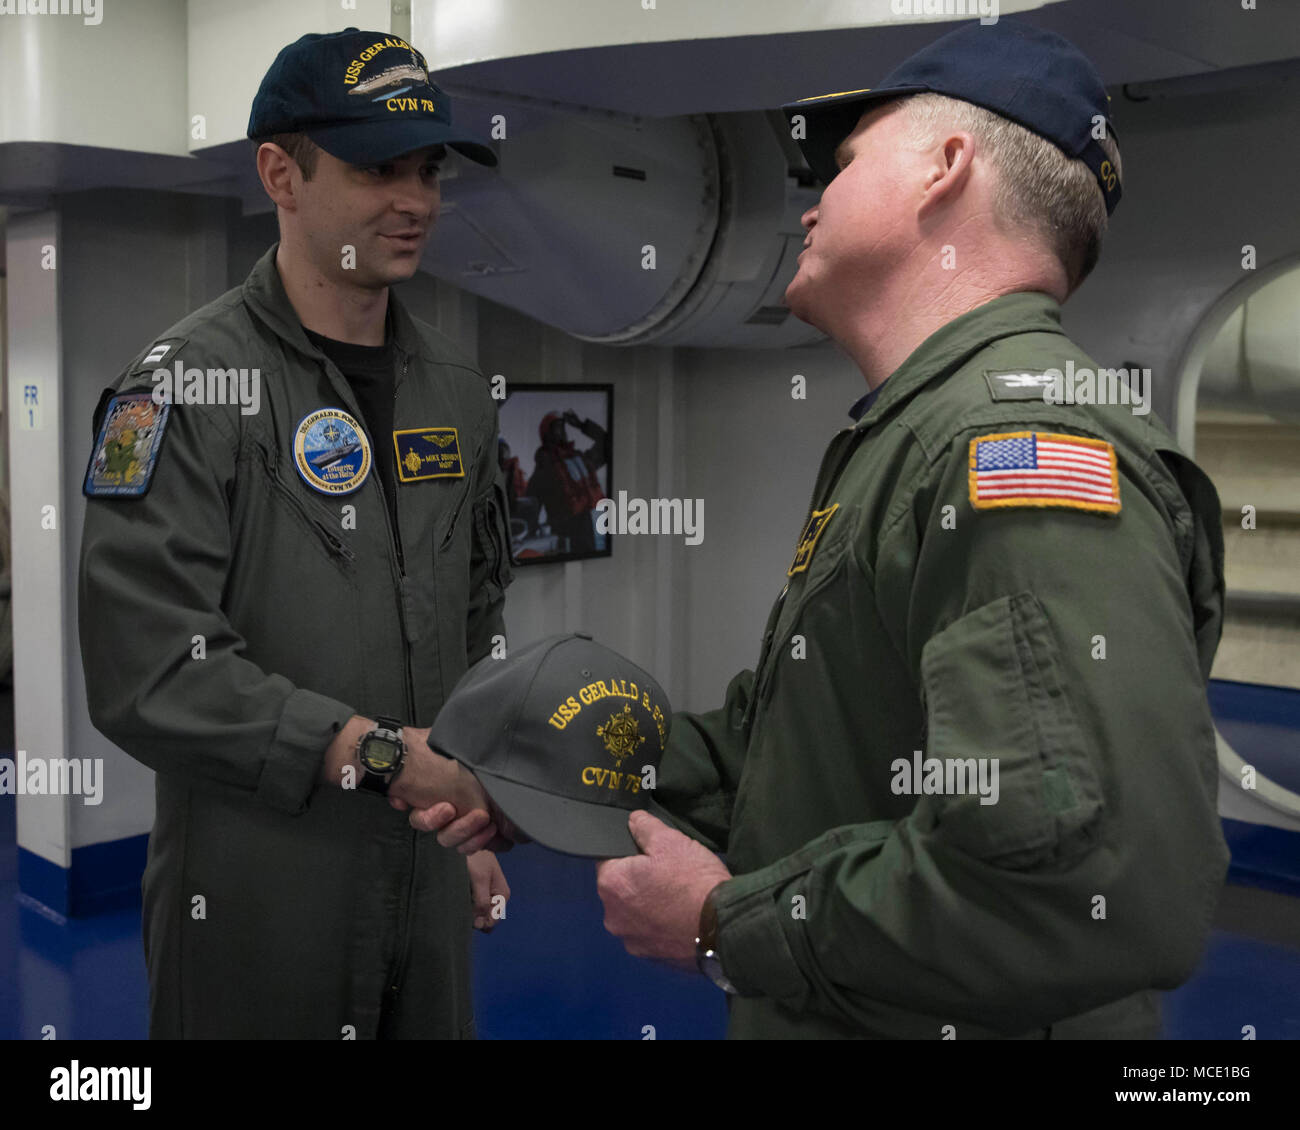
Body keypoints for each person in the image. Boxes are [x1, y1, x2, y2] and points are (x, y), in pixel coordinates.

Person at [435, 20, 1230, 1039]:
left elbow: (1080, 888)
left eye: (844, 164)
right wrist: (547, 773)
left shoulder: (1011, 448)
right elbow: (810, 746)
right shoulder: (920, 433)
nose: (810, 201)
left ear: (945, 169)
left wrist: (727, 927)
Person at [78, 28, 512, 1039]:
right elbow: (149, 666)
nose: (415, 201)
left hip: (425, 882)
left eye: (427, 170)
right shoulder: (181, 388)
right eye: (375, 169)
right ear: (281, 172)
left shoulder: (456, 388)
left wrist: (467, 823)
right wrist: (373, 755)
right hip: (255, 897)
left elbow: (479, 610)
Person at [526, 410, 608, 553]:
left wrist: (582, 425)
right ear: (547, 434)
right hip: (562, 534)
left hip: (586, 529)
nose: (562, 431)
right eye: (556, 427)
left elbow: (608, 443)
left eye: (563, 427)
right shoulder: (544, 468)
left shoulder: (581, 460)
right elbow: (531, 504)